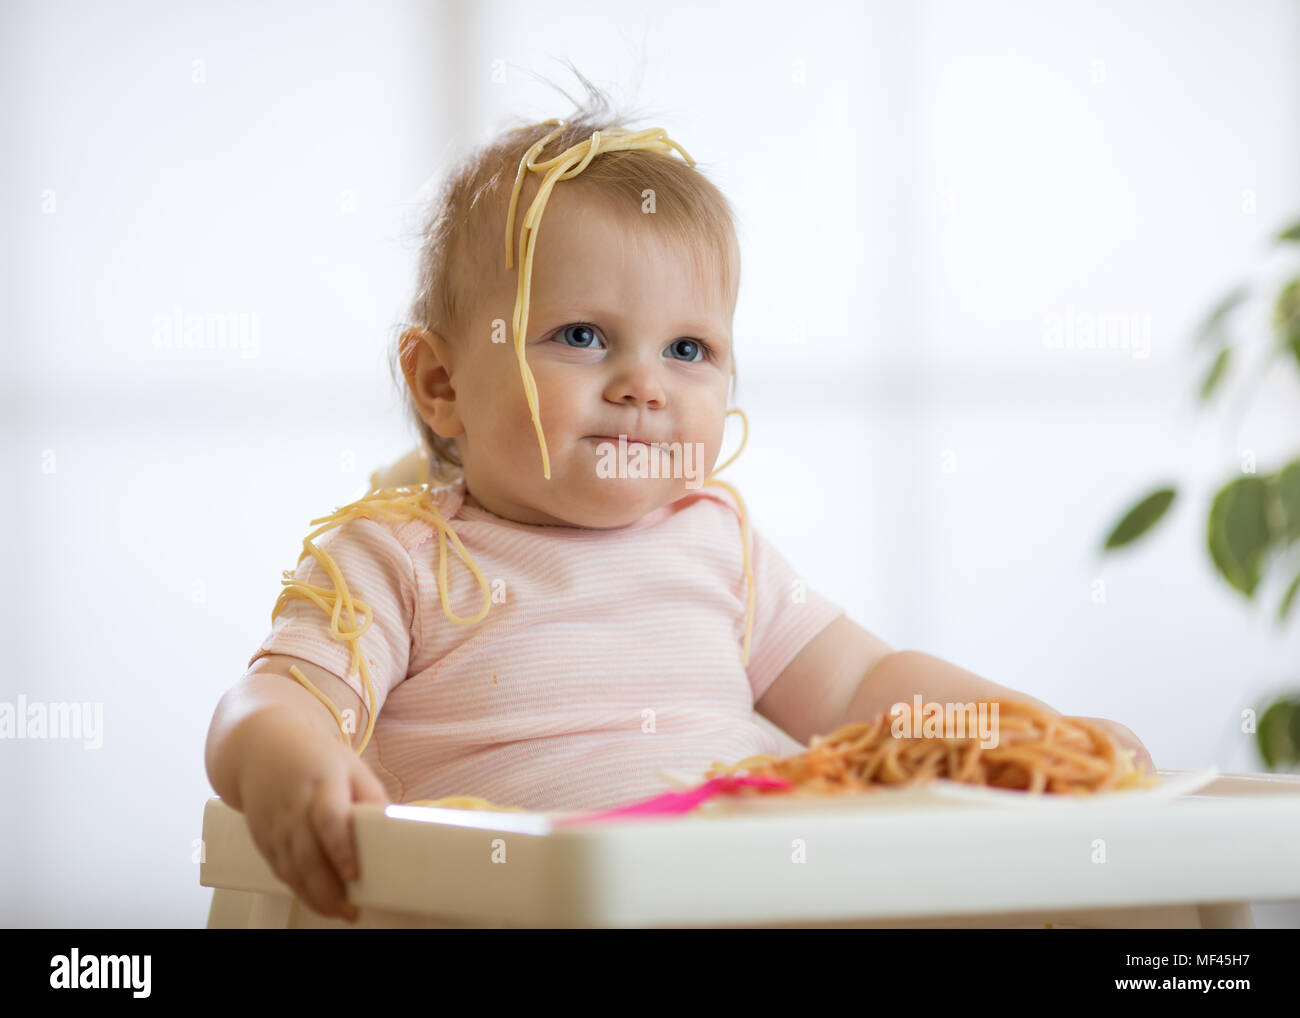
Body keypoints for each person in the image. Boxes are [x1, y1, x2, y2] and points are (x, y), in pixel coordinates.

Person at [205, 79, 1154, 924]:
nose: (644, 386)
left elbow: (862, 688)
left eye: (688, 350)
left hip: (746, 896)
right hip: (516, 906)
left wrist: (1022, 730)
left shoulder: (719, 546)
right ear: (441, 382)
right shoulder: (399, 559)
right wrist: (286, 760)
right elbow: (275, 698)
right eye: (582, 336)